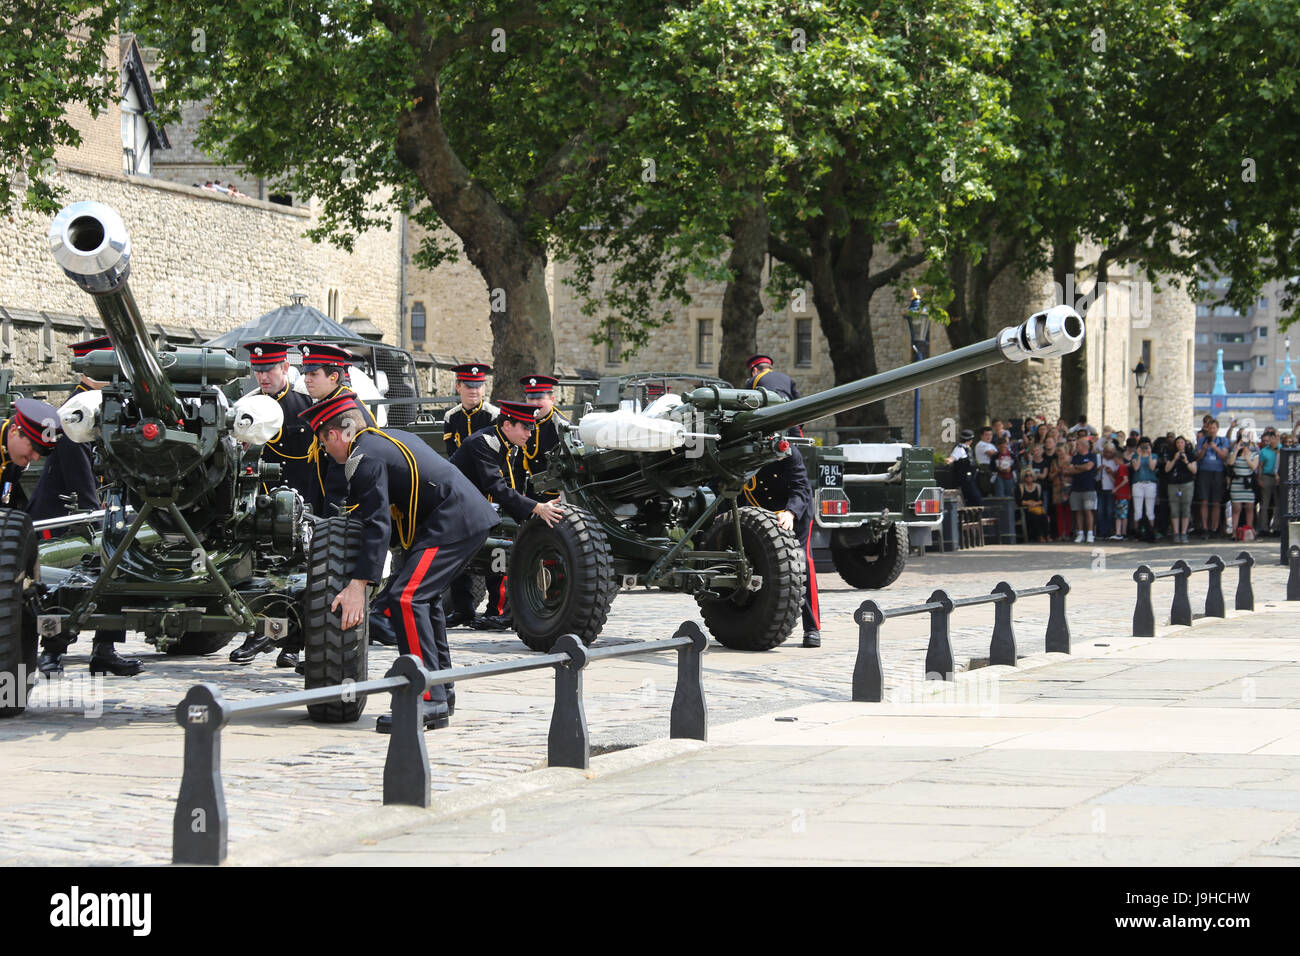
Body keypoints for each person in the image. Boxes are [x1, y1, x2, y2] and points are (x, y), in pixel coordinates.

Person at [304, 392, 498, 732]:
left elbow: (377, 524)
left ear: (335, 434)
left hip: (453, 521)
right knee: (426, 600)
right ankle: (441, 689)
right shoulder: (381, 441)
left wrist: (357, 584)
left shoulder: (363, 458)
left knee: (407, 598)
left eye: (323, 442)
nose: (325, 450)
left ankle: (428, 700)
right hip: (461, 517)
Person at [30, 339, 143, 678]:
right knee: (66, 584)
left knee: (111, 575)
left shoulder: (107, 405)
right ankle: (52, 650)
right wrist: (97, 517)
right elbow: (80, 473)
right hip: (65, 514)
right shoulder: (75, 411)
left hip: (95, 509)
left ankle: (104, 649)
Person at [229, 341, 319, 667]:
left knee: (300, 575)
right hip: (256, 505)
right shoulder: (244, 409)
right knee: (260, 572)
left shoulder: (305, 406)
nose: (263, 376)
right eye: (258, 370)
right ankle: (259, 633)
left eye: (269, 369)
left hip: (298, 505)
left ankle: (292, 646)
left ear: (284, 369)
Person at [449, 400, 565, 630]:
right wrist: (536, 508)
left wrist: (525, 511)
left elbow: (509, 483)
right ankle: (467, 610)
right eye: (525, 428)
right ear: (507, 425)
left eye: (531, 429)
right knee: (473, 554)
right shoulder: (484, 443)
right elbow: (496, 486)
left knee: (495, 547)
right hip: (457, 506)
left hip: (473, 507)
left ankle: (497, 611)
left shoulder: (505, 443)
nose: (529, 434)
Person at [738, 448, 821, 647]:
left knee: (800, 563)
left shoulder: (789, 453)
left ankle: (812, 628)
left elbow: (800, 488)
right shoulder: (743, 453)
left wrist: (790, 512)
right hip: (760, 515)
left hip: (793, 515)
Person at [298, 341, 377, 511]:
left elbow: (342, 472)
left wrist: (329, 519)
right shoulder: (332, 402)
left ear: (333, 377)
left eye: (313, 374)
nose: (306, 380)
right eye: (305, 374)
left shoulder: (345, 411)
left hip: (345, 505)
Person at [518, 374, 567, 501]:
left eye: (540, 398)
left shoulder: (561, 426)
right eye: (531, 398)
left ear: (552, 399)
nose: (534, 403)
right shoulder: (521, 423)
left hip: (557, 499)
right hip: (530, 497)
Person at [443, 363, 498, 457]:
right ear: (458, 387)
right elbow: (451, 452)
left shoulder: (494, 415)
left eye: (478, 387)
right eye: (468, 387)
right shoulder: (451, 417)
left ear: (483, 388)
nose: (473, 391)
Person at [744, 354, 802, 435]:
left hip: (768, 421)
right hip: (791, 420)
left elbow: (746, 407)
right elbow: (799, 402)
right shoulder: (787, 378)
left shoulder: (754, 379)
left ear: (754, 371)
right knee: (797, 444)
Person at [1195, 418, 1230, 538]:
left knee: (1216, 501)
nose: (1211, 430)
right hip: (1204, 472)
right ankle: (1205, 528)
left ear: (1217, 429)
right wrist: (1204, 448)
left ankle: (1214, 528)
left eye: (1213, 428)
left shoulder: (1223, 441)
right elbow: (1197, 457)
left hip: (1218, 472)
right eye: (1209, 428)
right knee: (1204, 500)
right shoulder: (1202, 440)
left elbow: (1225, 457)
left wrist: (1215, 448)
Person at [1162, 435, 1197, 543]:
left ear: (1185, 444)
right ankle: (1176, 533)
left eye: (1182, 443)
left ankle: (1184, 533)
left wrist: (1186, 461)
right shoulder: (1172, 455)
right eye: (1178, 443)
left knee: (1186, 509)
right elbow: (1167, 469)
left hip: (1187, 484)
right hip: (1173, 484)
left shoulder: (1190, 455)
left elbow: (1194, 470)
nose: (1180, 445)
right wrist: (1175, 459)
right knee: (1174, 509)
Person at [1064, 435, 1099, 543]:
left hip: (1089, 488)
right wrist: (1082, 467)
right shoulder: (1075, 457)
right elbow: (1070, 471)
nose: (1076, 446)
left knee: (1088, 511)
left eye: (1078, 444)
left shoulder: (1092, 456)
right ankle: (1080, 533)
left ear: (1084, 446)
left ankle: (1090, 533)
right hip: (1076, 488)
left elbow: (1089, 467)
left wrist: (1077, 467)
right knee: (1077, 511)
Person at [1227, 428, 1259, 539]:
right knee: (1236, 509)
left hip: (1248, 484)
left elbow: (1254, 467)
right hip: (1237, 483)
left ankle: (1249, 530)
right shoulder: (1234, 452)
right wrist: (1237, 449)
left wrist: (1246, 457)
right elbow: (1230, 463)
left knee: (1250, 508)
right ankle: (1234, 531)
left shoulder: (1254, 454)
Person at [1130, 439, 1160, 542]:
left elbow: (1152, 467)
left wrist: (1149, 454)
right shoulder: (1135, 456)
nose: (1145, 448)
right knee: (1138, 510)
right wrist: (1139, 455)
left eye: (1147, 446)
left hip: (1150, 483)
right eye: (1143, 446)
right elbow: (1136, 467)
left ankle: (1151, 532)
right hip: (1138, 484)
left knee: (1150, 509)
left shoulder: (1154, 456)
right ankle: (1137, 532)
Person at [945, 429, 982, 505]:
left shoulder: (967, 448)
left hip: (970, 479)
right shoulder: (960, 449)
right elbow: (953, 458)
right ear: (970, 440)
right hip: (965, 480)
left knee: (974, 499)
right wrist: (949, 460)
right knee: (976, 499)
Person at [1258, 429, 1281, 535]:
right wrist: (1259, 478)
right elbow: (1260, 466)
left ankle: (1276, 527)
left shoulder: (1281, 449)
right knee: (1265, 504)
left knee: (1277, 504)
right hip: (1267, 477)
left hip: (1278, 478)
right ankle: (1264, 528)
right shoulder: (1264, 451)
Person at [1019, 469, 1049, 542]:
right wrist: (1028, 503)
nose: (1029, 477)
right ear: (1023, 477)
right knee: (1034, 516)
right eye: (1027, 475)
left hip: (1036, 507)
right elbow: (1018, 501)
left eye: (1030, 475)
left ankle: (1047, 535)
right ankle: (1039, 536)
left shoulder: (1038, 486)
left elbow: (1041, 500)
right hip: (1026, 509)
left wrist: (1035, 503)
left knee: (1044, 516)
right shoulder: (1020, 487)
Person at [1111, 450, 1131, 540]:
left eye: (1114, 459)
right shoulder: (1122, 467)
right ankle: (1122, 532)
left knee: (1120, 515)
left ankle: (1119, 533)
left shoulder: (1121, 467)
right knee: (1122, 514)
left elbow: (1125, 480)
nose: (1114, 462)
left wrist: (1116, 488)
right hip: (1122, 494)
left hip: (1122, 494)